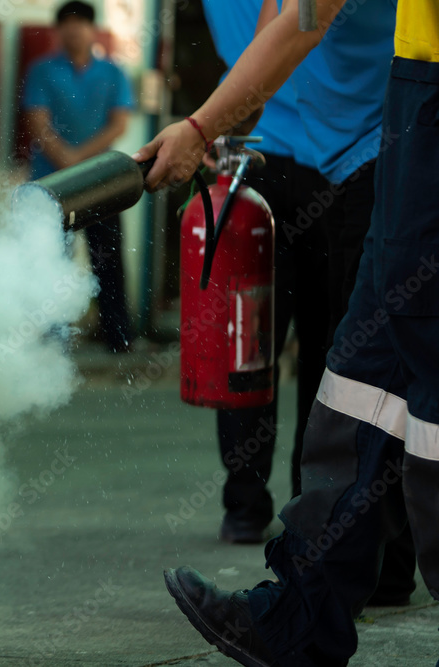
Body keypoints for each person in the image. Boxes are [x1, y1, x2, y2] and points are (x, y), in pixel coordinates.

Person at [140, 0, 439, 664]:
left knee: (422, 367)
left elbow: (308, 15)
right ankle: (305, 610)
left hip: (414, 113)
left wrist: (198, 125)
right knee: (364, 371)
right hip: (410, 97)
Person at [199, 0, 330, 546]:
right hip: (325, 163)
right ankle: (310, 503)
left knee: (249, 343)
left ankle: (251, 503)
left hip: (263, 157)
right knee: (323, 348)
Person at [21, 0, 134, 353]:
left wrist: (77, 160)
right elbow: (37, 121)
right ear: (58, 30)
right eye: (67, 23)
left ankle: (118, 336)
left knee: (108, 258)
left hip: (101, 181)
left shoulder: (113, 71)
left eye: (81, 22)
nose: (74, 29)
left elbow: (119, 124)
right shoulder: (42, 70)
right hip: (50, 185)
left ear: (92, 29)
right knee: (52, 260)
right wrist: (66, 159)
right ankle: (55, 339)